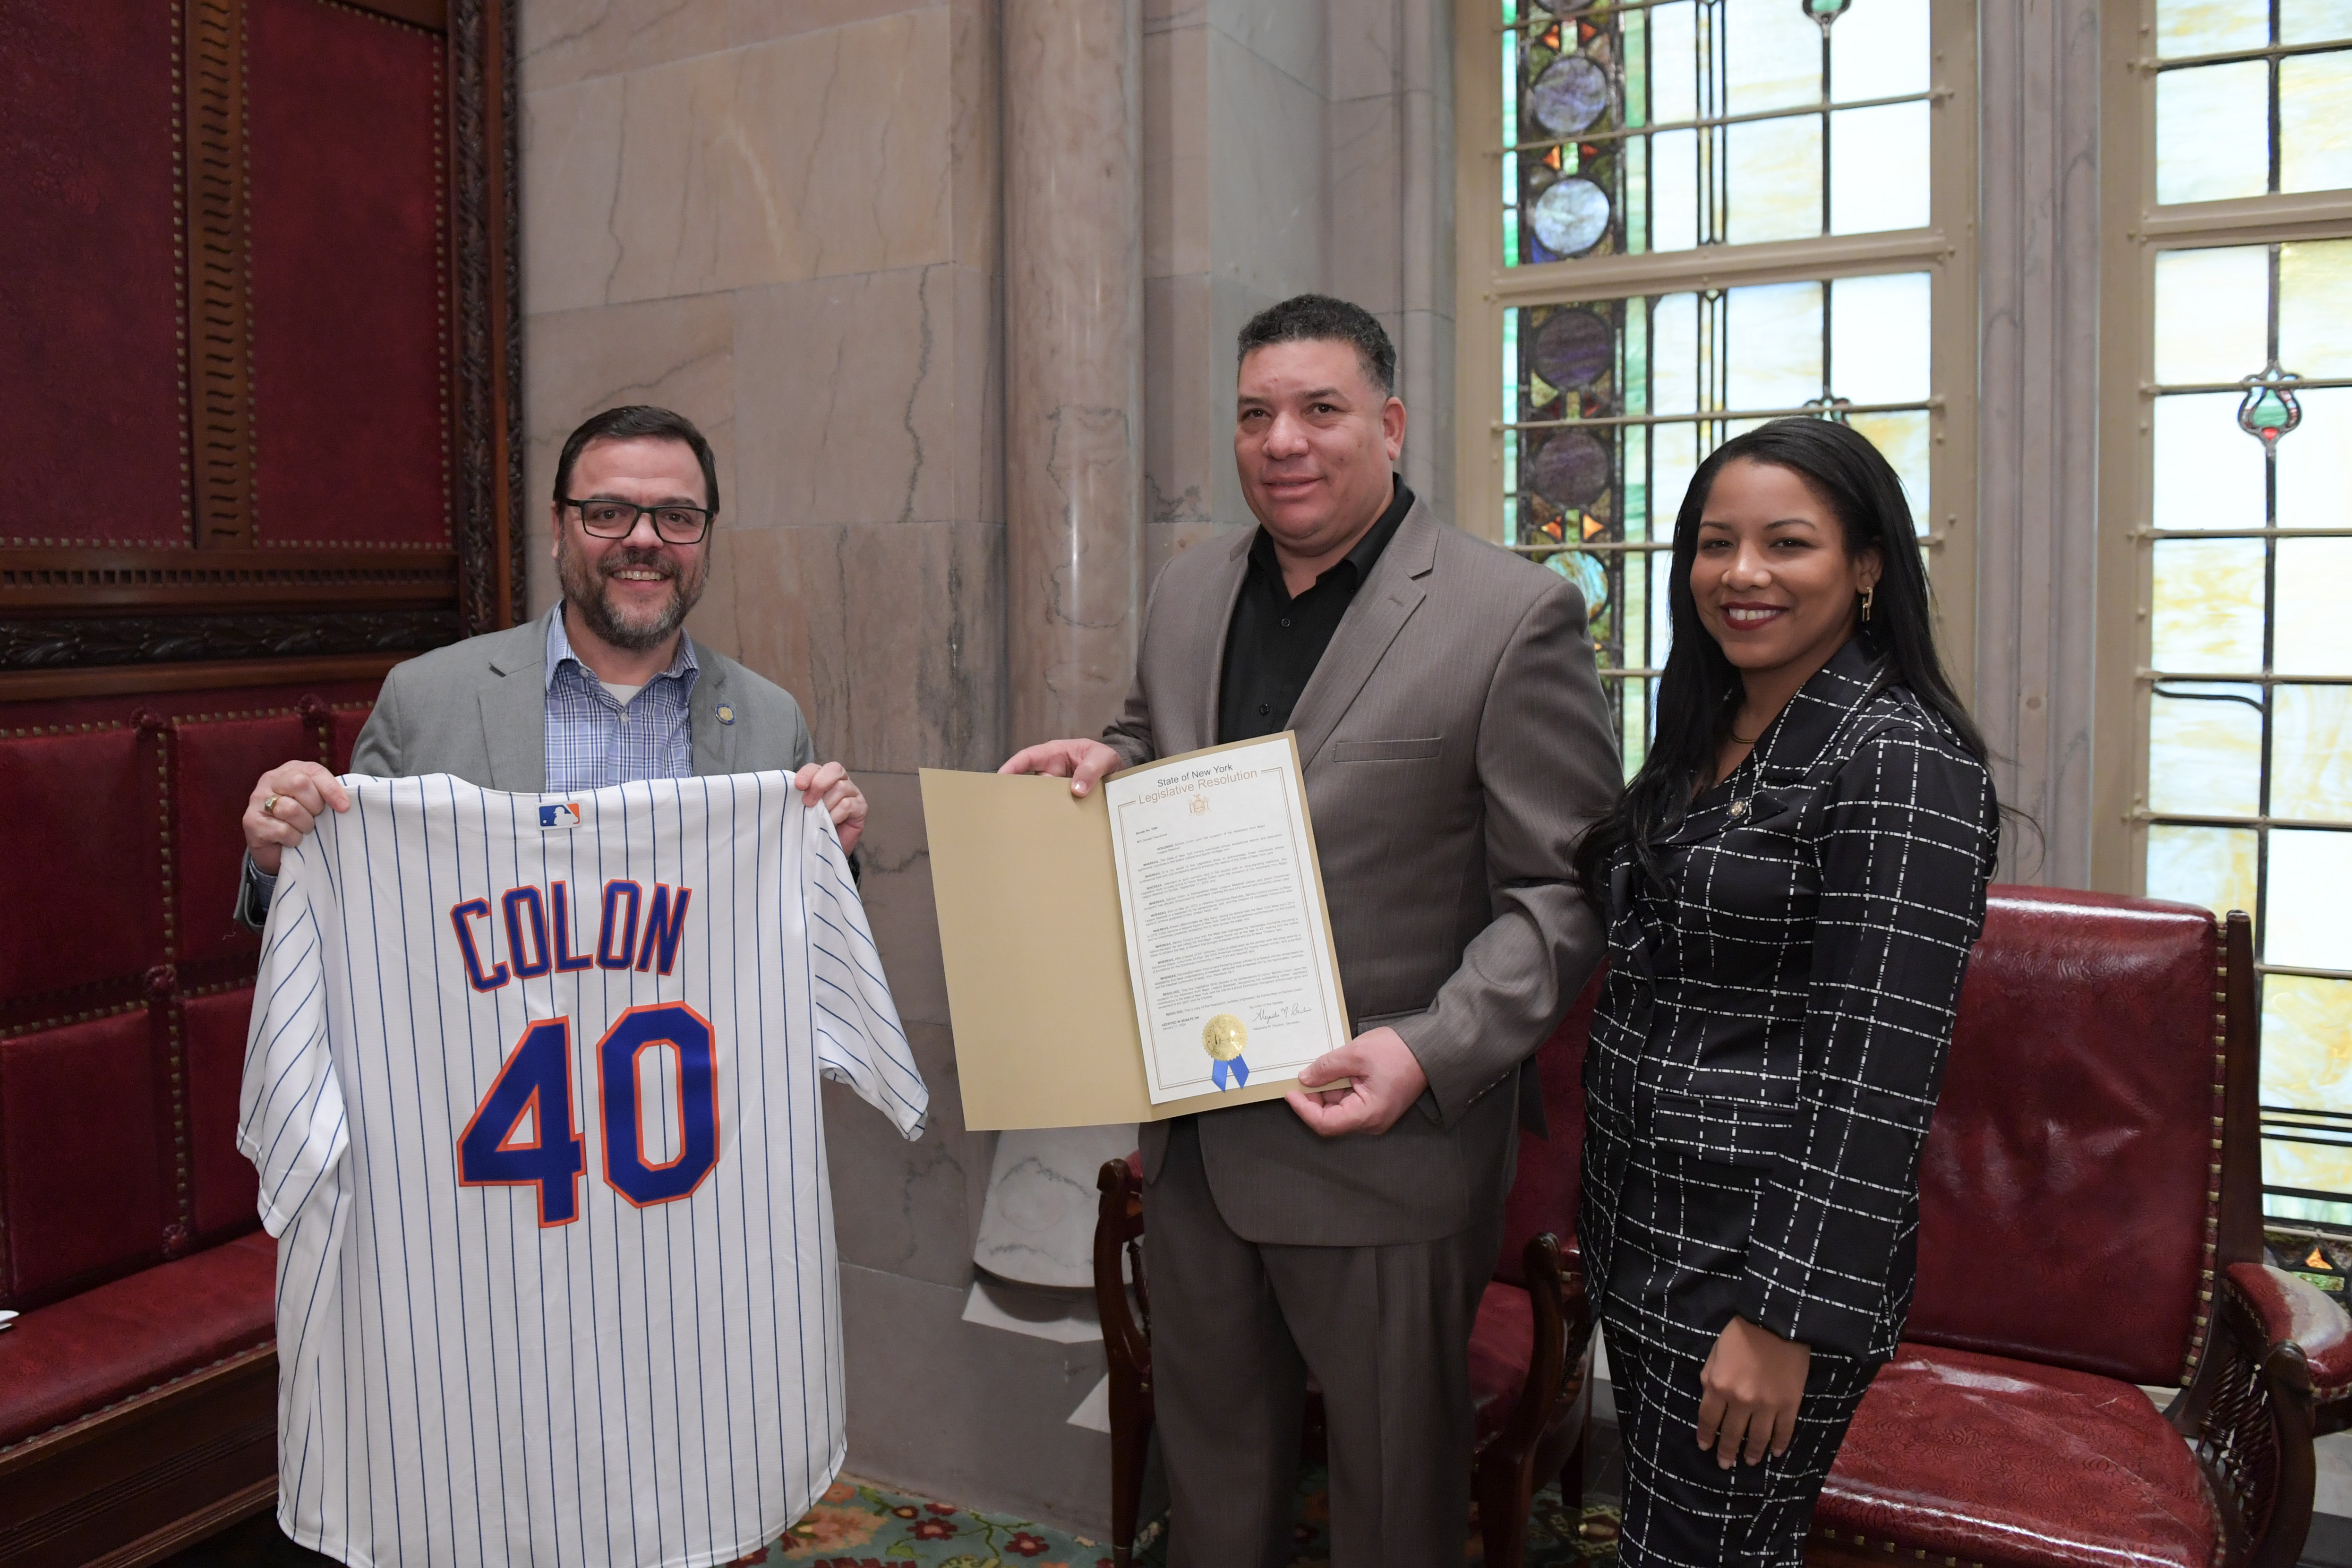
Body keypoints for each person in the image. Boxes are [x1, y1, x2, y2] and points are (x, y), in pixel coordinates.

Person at [1002, 294, 1619, 1566]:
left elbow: (1559, 896)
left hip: (1384, 1141)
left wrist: (1429, 1051)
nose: (1282, 440)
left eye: (1319, 410)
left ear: (1387, 426)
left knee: (1393, 1506)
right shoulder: (1188, 590)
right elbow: (1155, 745)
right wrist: (1104, 763)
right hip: (1193, 1131)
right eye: (1253, 414)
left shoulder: (1510, 616)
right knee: (1214, 1482)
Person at [1573, 418, 2000, 1564]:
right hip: (1652, 1227)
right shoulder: (1715, 724)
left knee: (1714, 1551)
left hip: (1760, 1264)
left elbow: (1881, 1071)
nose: (1744, 574)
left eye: (1788, 543)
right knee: (1668, 1539)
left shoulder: (1899, 758)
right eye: (1717, 544)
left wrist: (1785, 1320)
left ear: (1866, 567)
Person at [235, 404, 866, 928]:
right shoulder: (425, 702)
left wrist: (834, 861)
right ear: (560, 528)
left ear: (705, 537)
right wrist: (276, 861)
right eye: (609, 513)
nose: (643, 540)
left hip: (695, 1075)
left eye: (677, 517)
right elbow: (353, 920)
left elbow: (800, 947)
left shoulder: (769, 721)